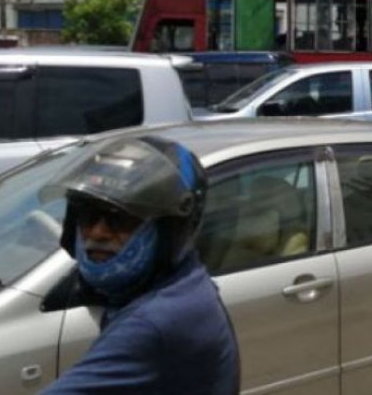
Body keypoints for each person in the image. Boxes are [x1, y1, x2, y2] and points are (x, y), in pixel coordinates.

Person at [43, 135, 239, 395]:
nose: (98, 233)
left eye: (121, 219)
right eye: (88, 215)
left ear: (169, 231)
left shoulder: (155, 323)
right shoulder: (177, 280)